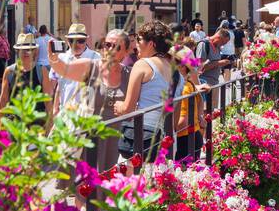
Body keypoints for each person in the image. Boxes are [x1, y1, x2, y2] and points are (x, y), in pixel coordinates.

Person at [50, 29, 131, 171]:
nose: (111, 49)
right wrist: (53, 58)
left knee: (113, 185)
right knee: (87, 186)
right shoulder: (91, 66)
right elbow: (63, 69)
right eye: (108, 45)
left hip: (117, 139)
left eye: (117, 46)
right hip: (90, 137)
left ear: (125, 52)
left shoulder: (130, 74)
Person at [114, 20, 182, 162]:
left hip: (142, 138)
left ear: (151, 44)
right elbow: (175, 120)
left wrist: (118, 106)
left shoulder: (142, 65)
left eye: (139, 40)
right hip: (167, 140)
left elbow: (128, 109)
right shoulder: (178, 74)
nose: (135, 45)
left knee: (130, 183)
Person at [49, 23, 99, 113]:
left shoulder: (95, 58)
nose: (76, 44)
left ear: (86, 40)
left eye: (80, 41)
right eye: (72, 40)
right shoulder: (60, 58)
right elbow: (58, 85)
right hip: (65, 113)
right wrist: (55, 108)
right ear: (67, 40)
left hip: (87, 114)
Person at [0, 33, 45, 116]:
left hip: (36, 122)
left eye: (29, 49)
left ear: (34, 51)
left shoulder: (41, 71)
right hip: (15, 124)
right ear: (17, 51)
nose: (26, 52)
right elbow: (4, 98)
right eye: (22, 49)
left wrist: (50, 123)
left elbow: (47, 100)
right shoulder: (9, 71)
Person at [34, 25, 56, 96]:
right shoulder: (50, 39)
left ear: (40, 31)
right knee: (51, 82)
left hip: (40, 64)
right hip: (49, 63)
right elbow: (58, 41)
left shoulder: (37, 40)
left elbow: (36, 54)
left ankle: (42, 96)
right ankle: (51, 95)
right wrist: (50, 34)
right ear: (46, 31)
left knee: (41, 82)